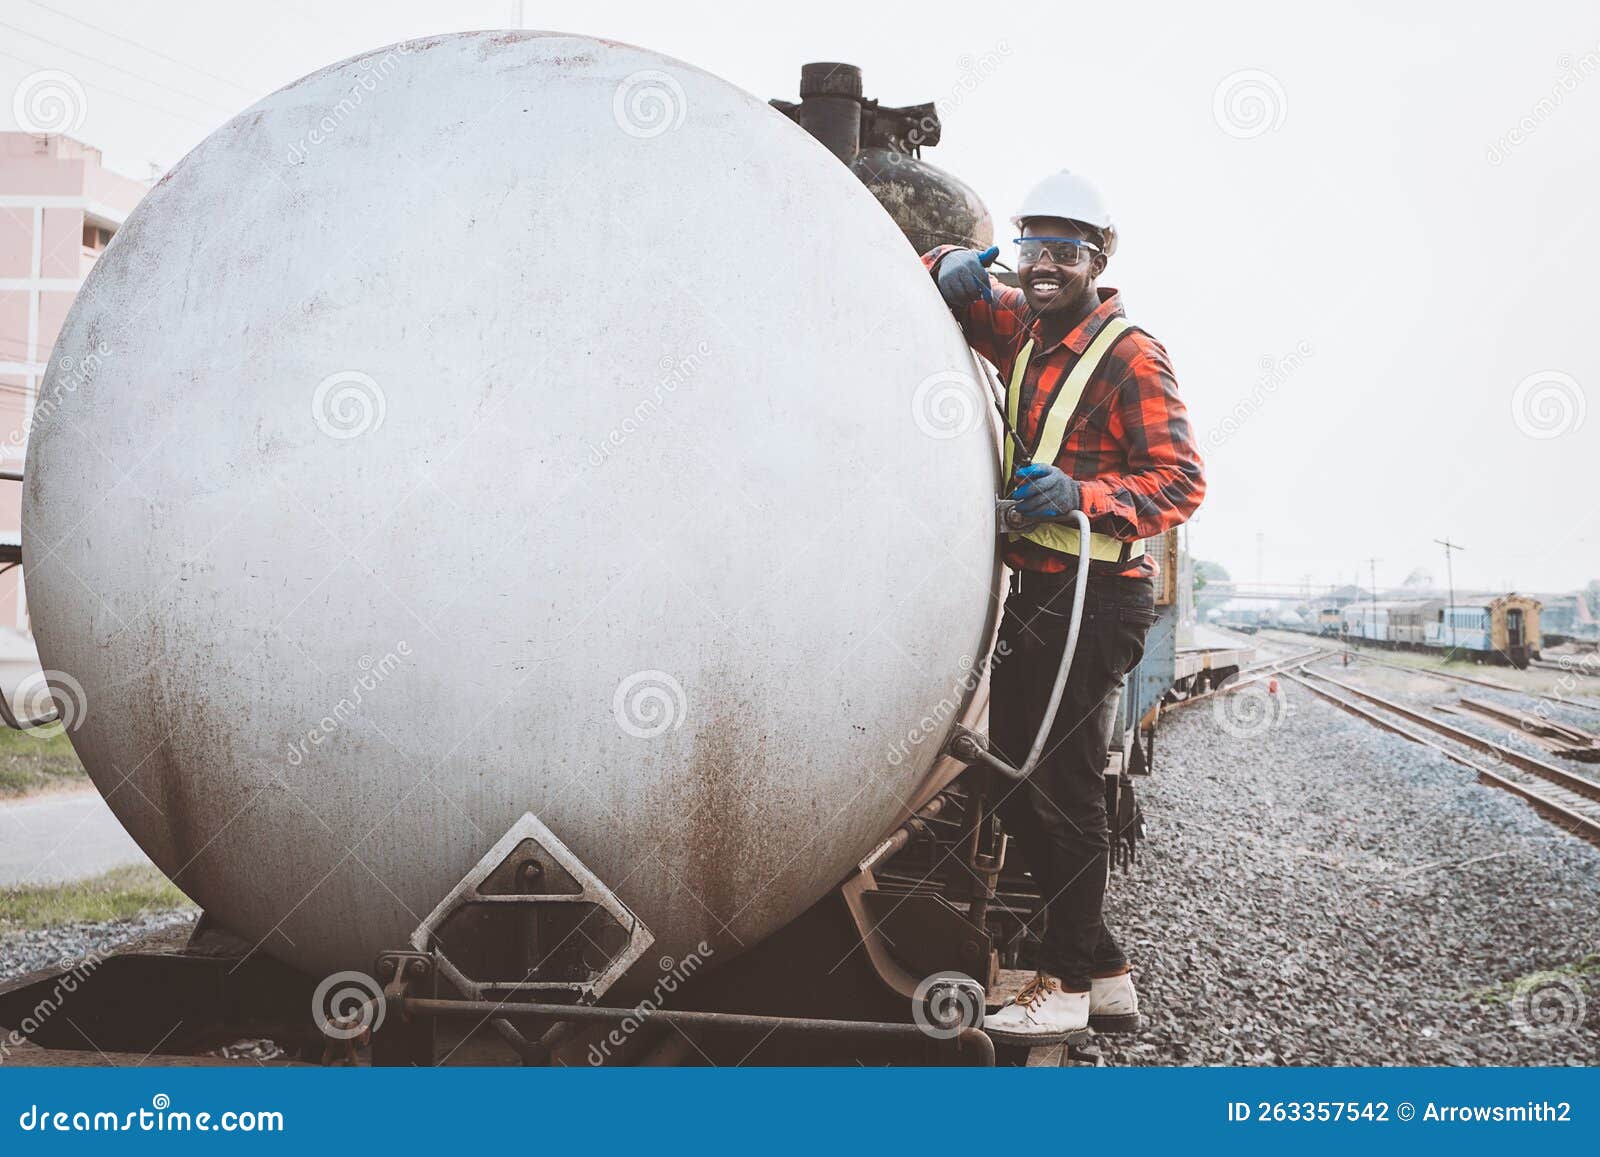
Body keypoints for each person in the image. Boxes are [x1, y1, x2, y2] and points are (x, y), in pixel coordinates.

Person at [923, 171, 1205, 1040]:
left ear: (1099, 257)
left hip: (1098, 593)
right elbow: (926, 275)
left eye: (1066, 251)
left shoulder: (1129, 354)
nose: (1045, 265)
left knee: (1065, 789)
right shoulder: (1024, 323)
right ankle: (1107, 970)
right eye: (1032, 247)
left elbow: (1181, 481)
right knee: (1012, 781)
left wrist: (1082, 496)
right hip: (1042, 591)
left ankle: (1069, 980)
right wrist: (946, 263)